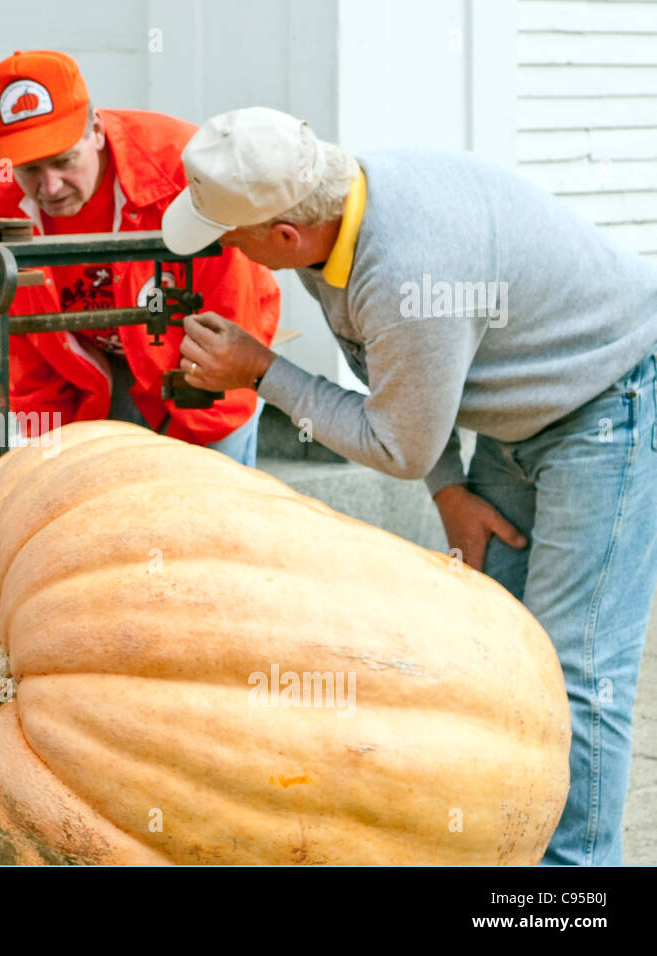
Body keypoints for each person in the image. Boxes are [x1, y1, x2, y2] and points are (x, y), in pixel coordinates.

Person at [164, 105, 657, 865]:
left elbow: (394, 439)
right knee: (501, 647)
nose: (228, 249)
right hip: (524, 411)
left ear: (286, 237)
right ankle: (509, 850)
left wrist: (263, 373)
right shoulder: (343, 208)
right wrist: (451, 491)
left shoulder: (404, 270)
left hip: (610, 402)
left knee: (575, 671)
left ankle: (576, 891)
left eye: (233, 237)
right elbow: (396, 386)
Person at [0, 50, 280, 464]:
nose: (51, 186)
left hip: (201, 359)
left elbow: (229, 320)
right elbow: (25, 338)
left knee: (214, 508)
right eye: (29, 169)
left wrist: (191, 457)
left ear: (95, 129)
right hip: (92, 369)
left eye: (64, 161)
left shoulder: (186, 172)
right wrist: (56, 451)